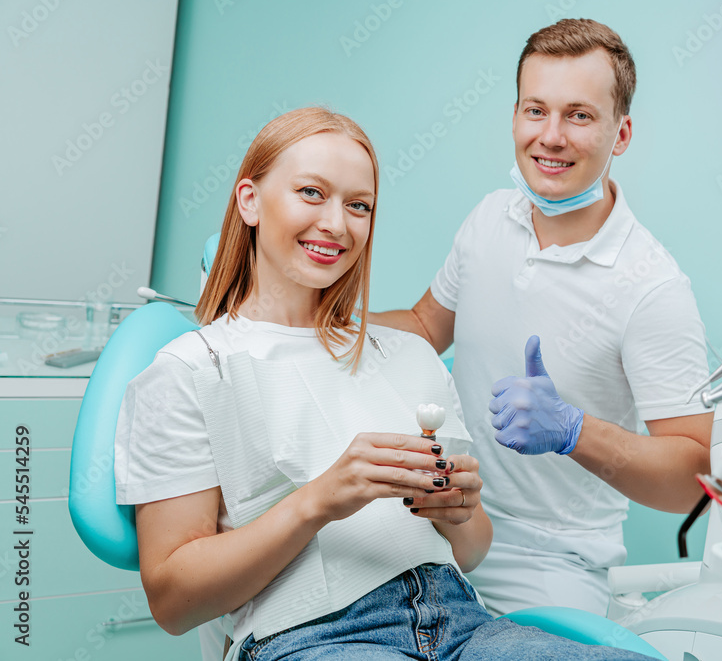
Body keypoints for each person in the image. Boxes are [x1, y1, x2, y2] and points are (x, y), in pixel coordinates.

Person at [114, 106, 655, 660]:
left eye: (358, 206)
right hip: (315, 637)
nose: (336, 223)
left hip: (466, 627)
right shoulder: (189, 372)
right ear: (249, 200)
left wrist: (459, 513)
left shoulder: (409, 356)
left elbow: (471, 551)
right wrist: (317, 502)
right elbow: (173, 602)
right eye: (311, 193)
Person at [370, 19, 714, 617]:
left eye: (579, 115)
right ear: (514, 117)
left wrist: (575, 430)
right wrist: (308, 317)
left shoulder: (651, 285)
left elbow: (693, 478)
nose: (550, 136)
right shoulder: (488, 220)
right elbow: (427, 328)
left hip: (550, 562)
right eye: (536, 111)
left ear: (621, 133)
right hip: (439, 518)